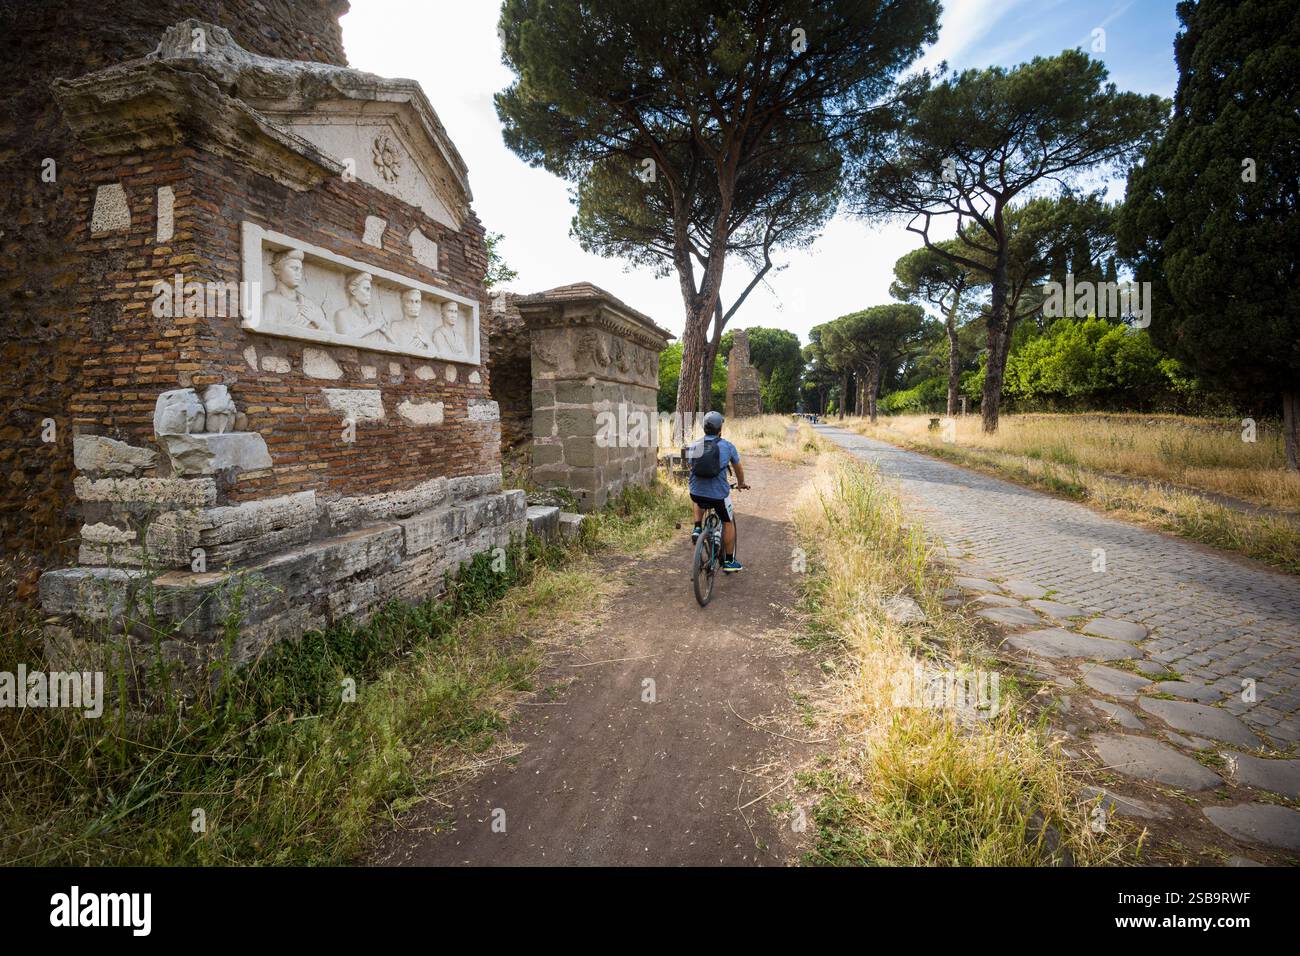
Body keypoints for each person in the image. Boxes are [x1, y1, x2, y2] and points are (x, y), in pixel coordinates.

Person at [687, 410, 749, 573]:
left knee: (698, 496)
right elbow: (738, 469)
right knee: (727, 521)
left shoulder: (694, 445)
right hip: (718, 494)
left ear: (704, 428)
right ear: (720, 428)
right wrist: (741, 483)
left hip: (696, 492)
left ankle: (697, 527)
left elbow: (691, 466)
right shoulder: (728, 446)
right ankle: (729, 561)